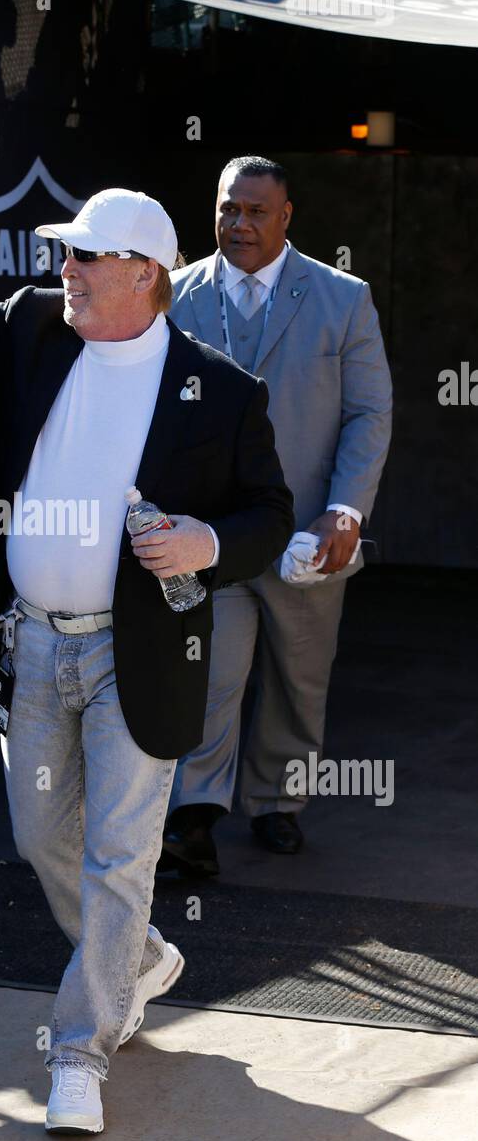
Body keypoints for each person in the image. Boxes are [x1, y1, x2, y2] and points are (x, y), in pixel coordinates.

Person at [0, 155, 294, 1134]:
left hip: (134, 654)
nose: (64, 269)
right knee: (36, 836)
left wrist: (208, 542)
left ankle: (79, 1049)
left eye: (84, 257)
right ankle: (136, 959)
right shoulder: (31, 331)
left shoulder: (217, 391)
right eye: (64, 255)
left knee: (117, 853)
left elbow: (269, 515)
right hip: (31, 646)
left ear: (143, 270)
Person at [163, 155, 392, 876]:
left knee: (300, 678)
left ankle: (277, 802)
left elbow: (369, 413)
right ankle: (194, 816)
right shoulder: (175, 294)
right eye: (229, 208)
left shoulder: (342, 297)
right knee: (210, 675)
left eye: (257, 211)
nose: (240, 223)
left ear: (286, 217)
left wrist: (345, 512)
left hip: (306, 535)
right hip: (215, 535)